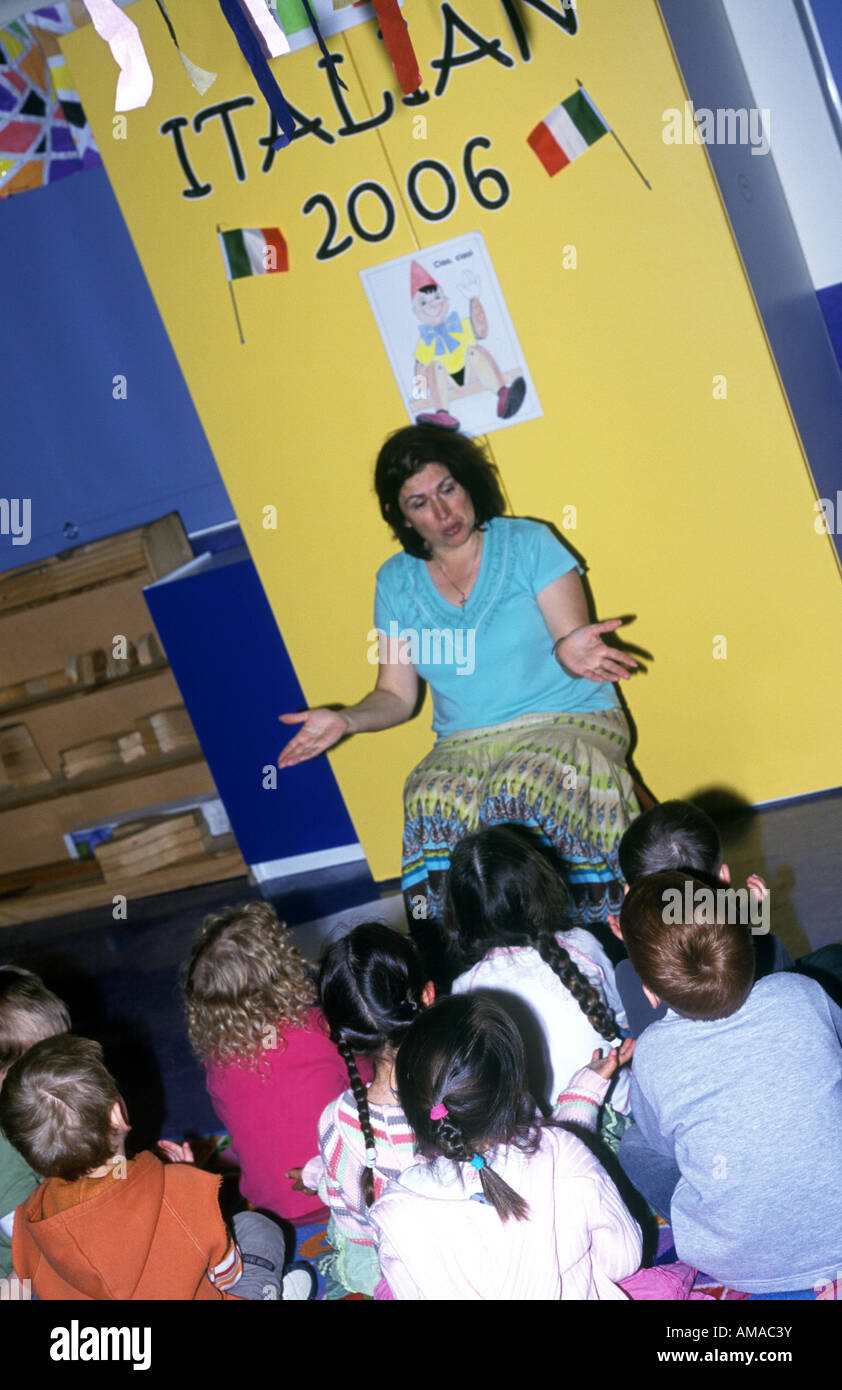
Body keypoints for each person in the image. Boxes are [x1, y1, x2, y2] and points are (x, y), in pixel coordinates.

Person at [278, 424, 641, 978]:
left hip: (569, 716)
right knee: (429, 796)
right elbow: (395, 695)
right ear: (401, 516)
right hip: (466, 740)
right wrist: (346, 719)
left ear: (468, 483)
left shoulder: (529, 543)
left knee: (518, 789)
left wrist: (570, 651)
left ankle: (596, 948)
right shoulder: (395, 582)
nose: (443, 511)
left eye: (447, 488)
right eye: (420, 502)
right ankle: (468, 970)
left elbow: (572, 641)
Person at [617, 872, 842, 1298]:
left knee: (634, 1145)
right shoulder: (801, 992)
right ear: (749, 945)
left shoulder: (652, 1053)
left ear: (649, 992)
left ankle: (714, 1220)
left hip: (738, 1262)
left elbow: (664, 1146)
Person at [0, 1034, 315, 1300]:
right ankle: (268, 1293)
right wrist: (192, 1188)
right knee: (257, 1226)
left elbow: (19, 1284)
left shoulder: (31, 1218)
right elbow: (227, 1273)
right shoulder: (180, 1190)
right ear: (117, 1116)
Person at [369, 994, 642, 1300]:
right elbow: (623, 1259)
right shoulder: (563, 1154)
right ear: (516, 1089)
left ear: (408, 1102)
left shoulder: (394, 1213)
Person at [182, 900, 357, 1226]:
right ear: (284, 969)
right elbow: (368, 1081)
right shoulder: (319, 1027)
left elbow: (237, 1118)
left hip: (269, 1210)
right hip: (343, 1195)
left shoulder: (218, 1059)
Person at [447, 826, 631, 1126]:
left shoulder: (463, 990)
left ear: (460, 913)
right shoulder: (582, 944)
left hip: (546, 1139)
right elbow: (624, 1019)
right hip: (618, 1114)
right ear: (540, 888)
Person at [297, 924, 432, 1299]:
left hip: (397, 1272)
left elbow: (354, 1221)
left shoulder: (336, 1123)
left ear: (335, 1030)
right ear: (428, 995)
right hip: (484, 1254)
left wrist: (320, 1177)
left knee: (341, 1235)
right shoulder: (477, 1085)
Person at [607, 800, 790, 1037]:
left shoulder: (629, 976)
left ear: (629, 895)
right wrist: (744, 919)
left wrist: (634, 942)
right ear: (723, 878)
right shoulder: (768, 947)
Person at [0, 965, 70, 1283]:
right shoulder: (5, 1155)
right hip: (21, 1270)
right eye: (40, 1065)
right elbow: (35, 1249)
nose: (59, 1073)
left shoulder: (42, 1101)